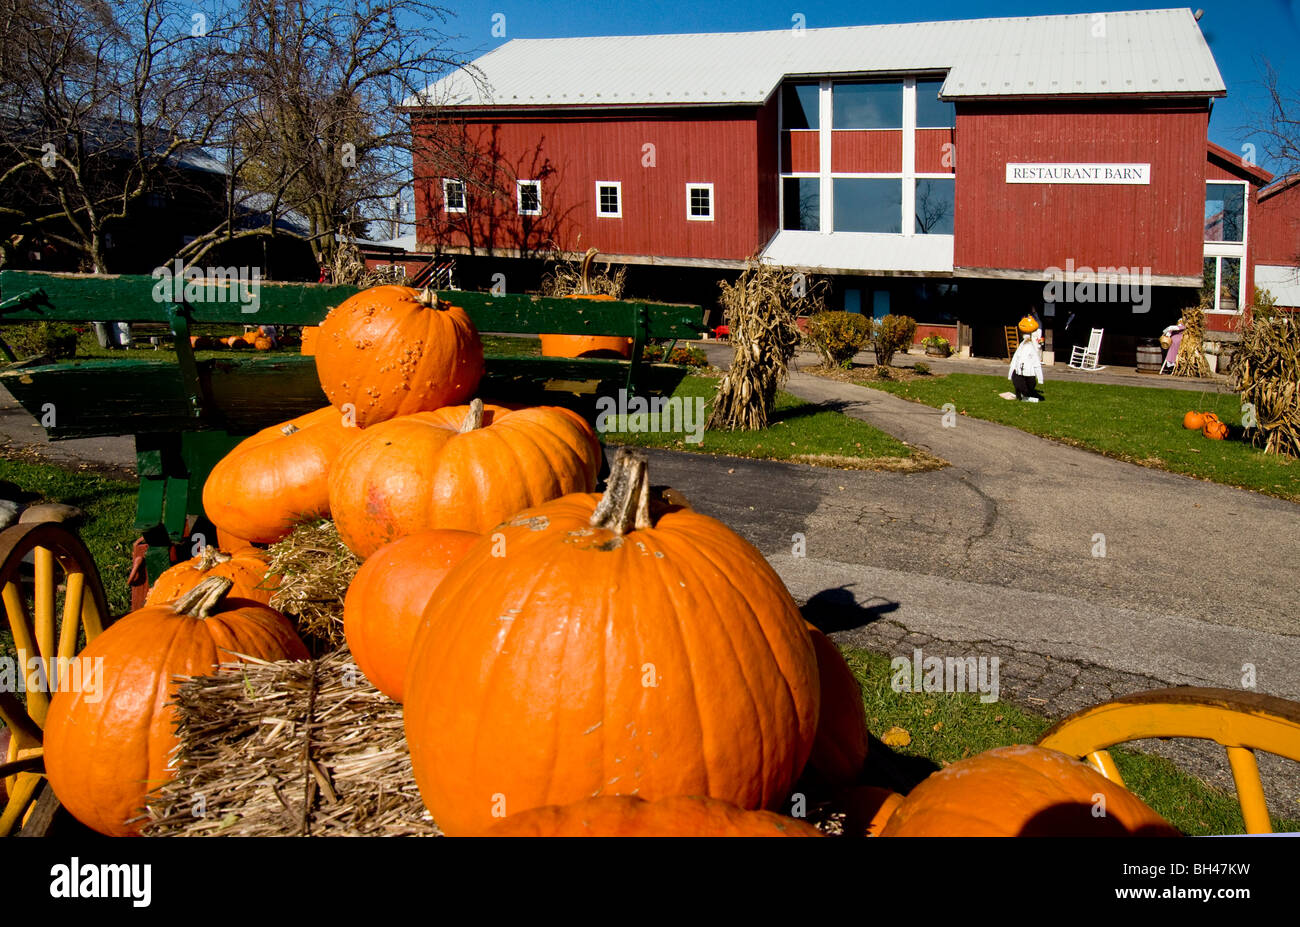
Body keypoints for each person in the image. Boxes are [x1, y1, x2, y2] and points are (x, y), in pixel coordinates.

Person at [1007, 315, 1044, 401]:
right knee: (1019, 381)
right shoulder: (1021, 346)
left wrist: (1040, 378)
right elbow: (1015, 359)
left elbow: (1036, 362)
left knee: (1029, 384)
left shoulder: (1031, 347)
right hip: (1019, 371)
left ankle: (1026, 394)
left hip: (1029, 372)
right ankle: (1021, 394)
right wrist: (1010, 373)